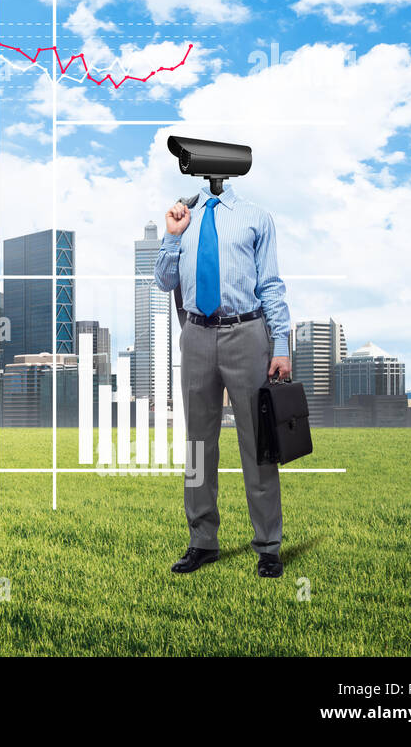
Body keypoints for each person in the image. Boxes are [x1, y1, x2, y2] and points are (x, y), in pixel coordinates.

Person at [154, 184, 291, 579]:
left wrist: (279, 344)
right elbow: (164, 282)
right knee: (198, 446)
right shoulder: (184, 216)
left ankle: (268, 546)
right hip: (196, 335)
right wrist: (171, 235)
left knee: (258, 444)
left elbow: (270, 285)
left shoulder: (255, 217)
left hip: (246, 334)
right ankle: (202, 542)